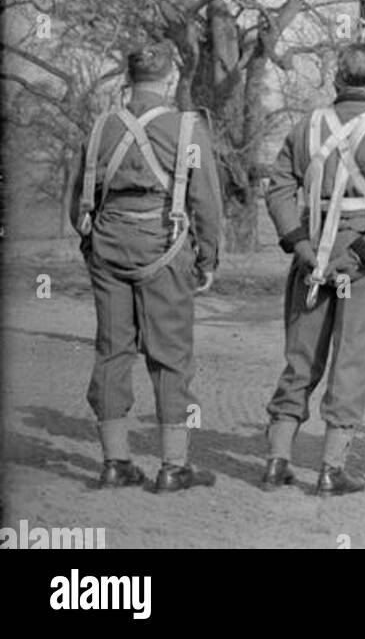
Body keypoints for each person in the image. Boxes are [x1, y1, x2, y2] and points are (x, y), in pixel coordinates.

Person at [70, 41, 221, 493]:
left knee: (112, 350)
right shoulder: (188, 128)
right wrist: (209, 257)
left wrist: (93, 244)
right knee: (171, 356)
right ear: (171, 79)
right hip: (166, 250)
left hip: (108, 247)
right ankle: (173, 467)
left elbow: (79, 198)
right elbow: (206, 201)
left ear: (128, 79)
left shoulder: (100, 128)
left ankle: (115, 463)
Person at [261, 43, 365, 495]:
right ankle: (330, 469)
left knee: (300, 355)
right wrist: (363, 254)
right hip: (360, 258)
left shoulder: (305, 125)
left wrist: (300, 245)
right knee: (353, 356)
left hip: (312, 252)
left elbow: (279, 188)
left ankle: (276, 459)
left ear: (336, 80)